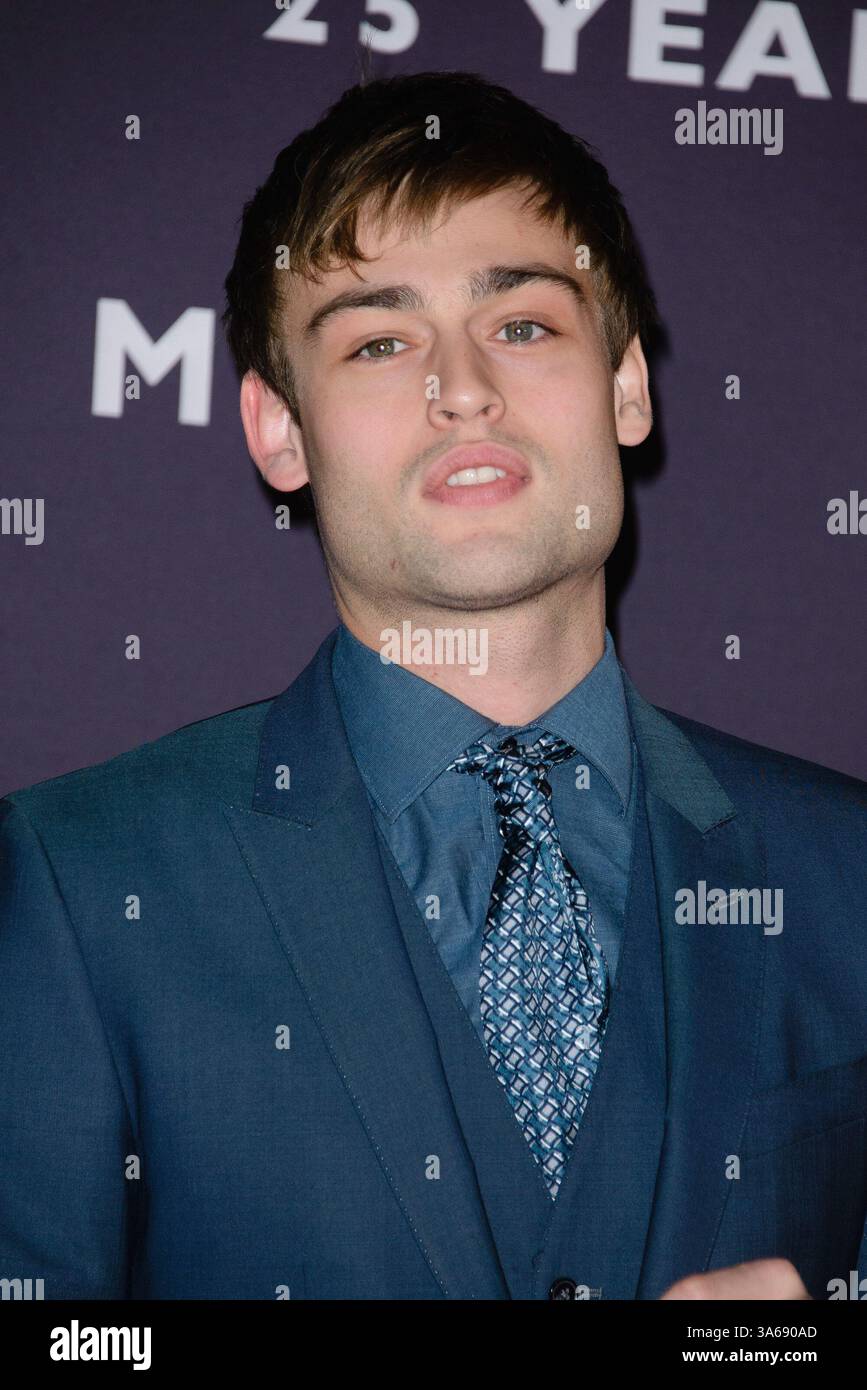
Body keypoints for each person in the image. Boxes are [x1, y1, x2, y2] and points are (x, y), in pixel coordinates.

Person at [1, 71, 865, 1302]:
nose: (462, 387)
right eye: (379, 339)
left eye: (521, 324)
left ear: (626, 385)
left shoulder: (850, 877)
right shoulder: (79, 887)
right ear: (279, 433)